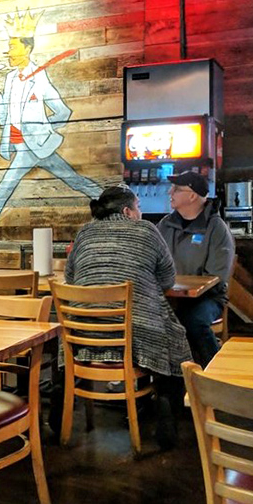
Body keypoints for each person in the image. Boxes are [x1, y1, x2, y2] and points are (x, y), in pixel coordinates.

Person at [61, 185, 191, 448]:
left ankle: (59, 406)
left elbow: (70, 278)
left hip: (82, 339)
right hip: (137, 339)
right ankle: (166, 411)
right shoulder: (146, 230)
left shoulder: (84, 233)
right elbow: (168, 279)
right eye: (139, 207)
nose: (140, 212)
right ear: (127, 211)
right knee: (173, 338)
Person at [0, 9, 101, 233]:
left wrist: (42, 130)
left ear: (27, 49)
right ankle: (106, 199)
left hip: (36, 144)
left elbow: (62, 111)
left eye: (13, 47)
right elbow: (5, 112)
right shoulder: (10, 78)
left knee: (12, 178)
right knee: (73, 179)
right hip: (21, 144)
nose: (8, 52)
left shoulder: (39, 77)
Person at [158, 172, 235, 368]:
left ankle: (214, 373)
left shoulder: (216, 228)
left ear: (192, 196)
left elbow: (216, 277)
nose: (170, 192)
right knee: (143, 318)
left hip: (209, 298)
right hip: (169, 296)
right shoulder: (165, 225)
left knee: (193, 321)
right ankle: (164, 377)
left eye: (176, 189)